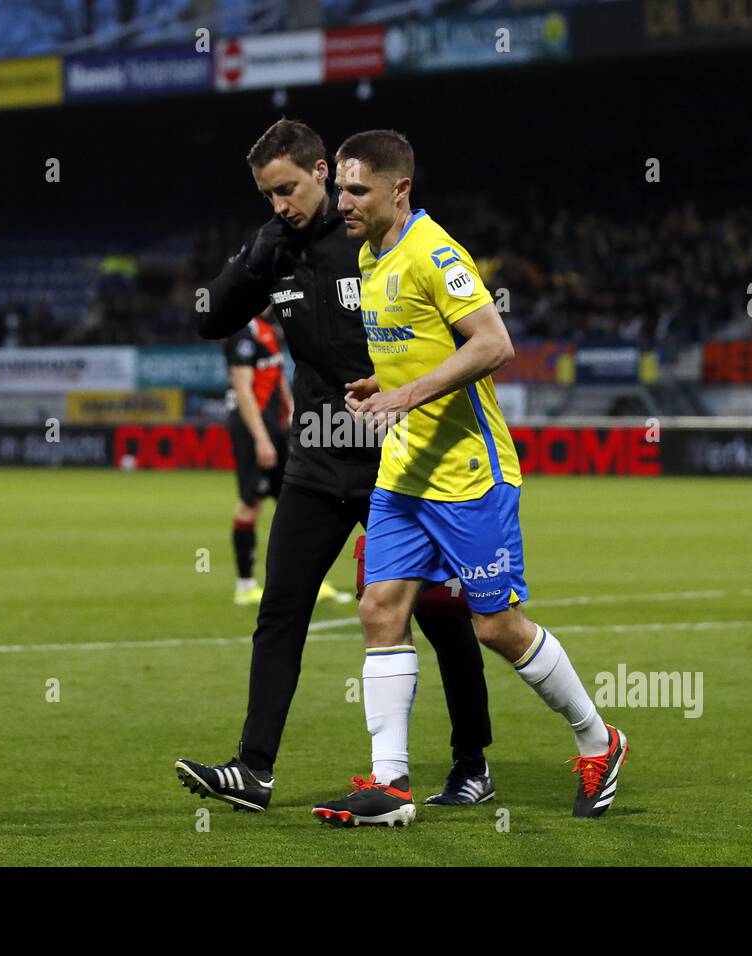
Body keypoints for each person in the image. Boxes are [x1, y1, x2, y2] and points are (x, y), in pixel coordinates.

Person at [175, 119, 495, 812]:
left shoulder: (374, 239)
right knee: (281, 608)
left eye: (287, 189)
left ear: (324, 173)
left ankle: (471, 762)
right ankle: (253, 769)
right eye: (267, 194)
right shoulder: (276, 247)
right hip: (316, 459)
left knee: (439, 614)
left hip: (397, 457)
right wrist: (259, 250)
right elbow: (210, 319)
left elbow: (441, 335)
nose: (279, 204)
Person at [311, 130, 627, 828]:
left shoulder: (435, 252)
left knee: (496, 627)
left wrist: (407, 394)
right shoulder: (370, 255)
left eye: (358, 189)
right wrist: (382, 383)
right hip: (404, 474)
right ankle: (390, 787)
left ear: (401, 189)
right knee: (379, 610)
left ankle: (599, 741)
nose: (344, 201)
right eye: (339, 188)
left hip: (467, 476)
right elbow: (416, 353)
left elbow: (494, 344)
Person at [223, 305, 350, 606]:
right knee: (249, 504)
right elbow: (243, 390)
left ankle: (309, 583)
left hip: (275, 427)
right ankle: (245, 585)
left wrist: (292, 407)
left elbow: (277, 373)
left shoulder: (269, 329)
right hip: (253, 428)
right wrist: (261, 438)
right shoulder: (244, 332)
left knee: (299, 502)